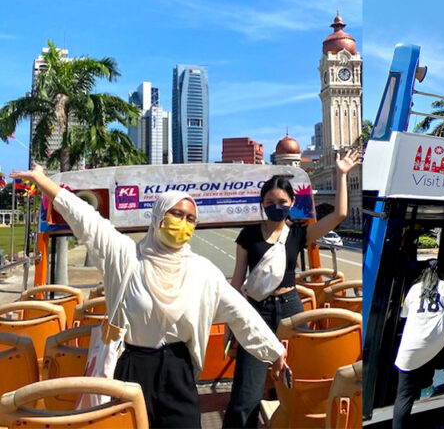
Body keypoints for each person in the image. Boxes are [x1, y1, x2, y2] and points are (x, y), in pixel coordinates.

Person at [10, 165, 288, 429]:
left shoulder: (203, 271)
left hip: (179, 370)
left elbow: (241, 314)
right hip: (132, 368)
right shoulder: (125, 257)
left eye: (190, 219)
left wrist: (273, 352)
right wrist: (42, 180)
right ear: (158, 216)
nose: (184, 223)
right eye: (176, 214)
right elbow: (86, 219)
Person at [222, 148, 362, 428]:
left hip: (291, 311)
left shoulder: (299, 233)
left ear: (291, 202)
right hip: (256, 312)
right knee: (245, 394)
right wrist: (234, 322)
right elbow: (237, 282)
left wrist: (341, 174)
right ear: (262, 203)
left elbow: (340, 214)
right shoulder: (248, 235)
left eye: (282, 201)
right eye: (270, 201)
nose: (276, 206)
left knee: (299, 382)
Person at [393, 259, 444, 429]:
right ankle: (426, 386)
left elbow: (405, 315)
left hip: (412, 345)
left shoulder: (415, 288)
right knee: (432, 350)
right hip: (437, 340)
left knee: (403, 396)